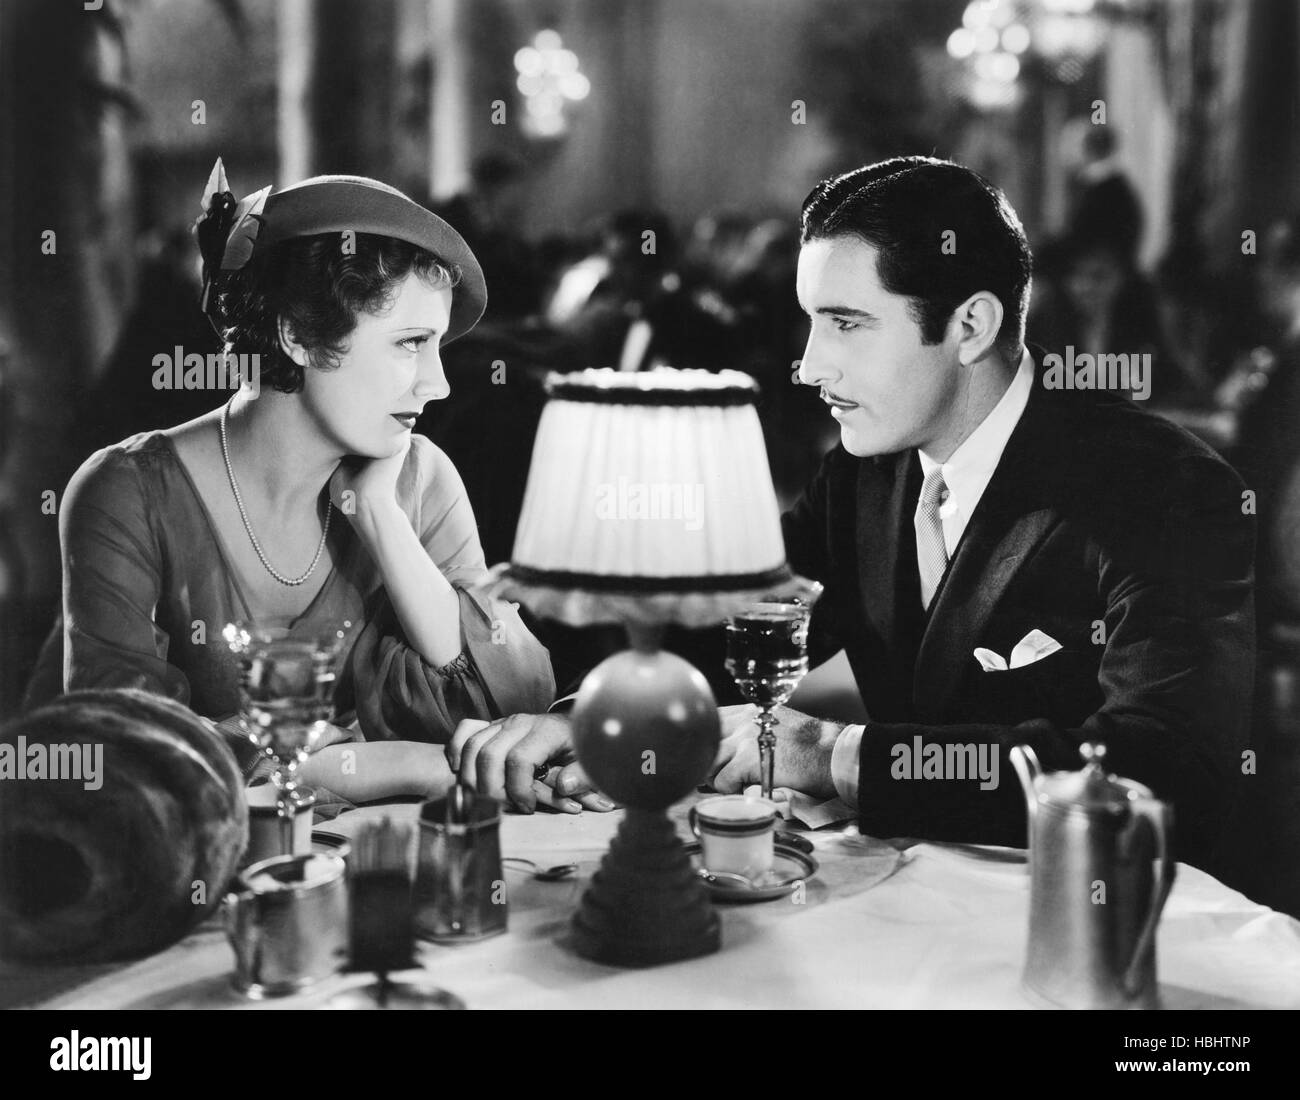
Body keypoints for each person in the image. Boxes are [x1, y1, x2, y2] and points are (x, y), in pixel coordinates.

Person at [450, 157, 1255, 868]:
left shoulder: (1164, 491)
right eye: (809, 321)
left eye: (845, 323)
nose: (807, 365)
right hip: (916, 904)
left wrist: (837, 754)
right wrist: (593, 713)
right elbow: (740, 623)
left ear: (971, 326)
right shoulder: (865, 474)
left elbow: (1160, 765)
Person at [29, 163, 585, 806]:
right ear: (296, 334)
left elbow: (513, 711)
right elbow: (129, 755)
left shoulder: (419, 476)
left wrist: (378, 514)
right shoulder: (125, 492)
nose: (439, 384)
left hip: (389, 868)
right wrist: (401, 766)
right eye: (410, 343)